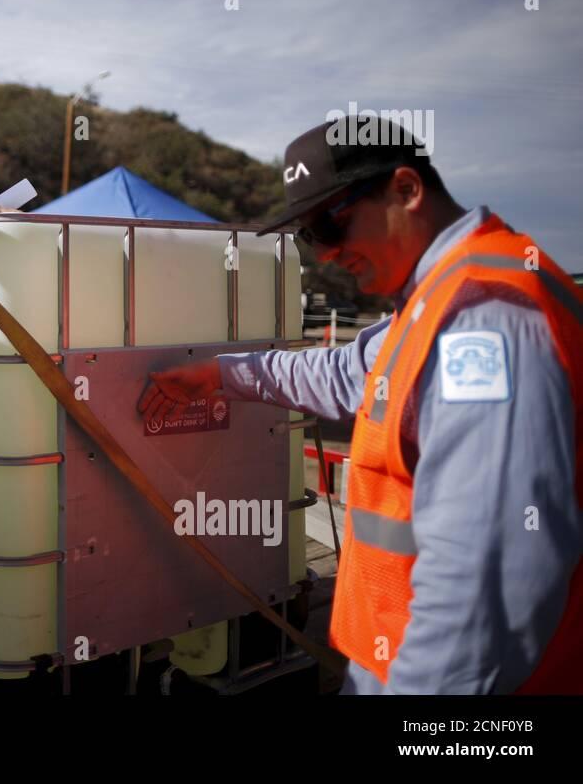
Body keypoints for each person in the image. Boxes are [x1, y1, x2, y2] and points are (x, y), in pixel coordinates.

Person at [139, 117, 582, 694]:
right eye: (308, 237)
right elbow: (342, 373)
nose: (324, 255)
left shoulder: (482, 321)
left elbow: (485, 589)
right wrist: (219, 375)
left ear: (406, 189)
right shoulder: (431, 303)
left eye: (330, 224)